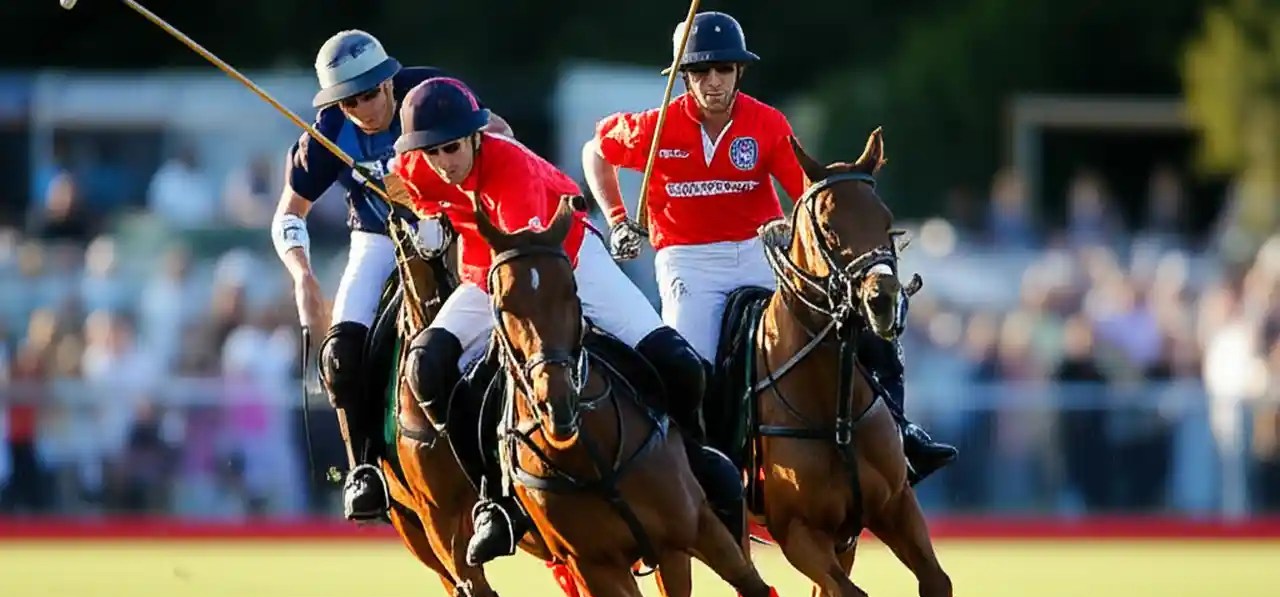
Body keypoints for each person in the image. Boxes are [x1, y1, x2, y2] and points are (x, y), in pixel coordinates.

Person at [581, 10, 956, 481]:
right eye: (700, 71)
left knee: (850, 321)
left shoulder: (766, 123)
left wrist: (796, 227)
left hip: (762, 251)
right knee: (686, 369)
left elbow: (809, 199)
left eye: (723, 70)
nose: (713, 82)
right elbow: (595, 150)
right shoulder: (656, 127)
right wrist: (616, 218)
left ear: (740, 72)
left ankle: (901, 433)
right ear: (684, 77)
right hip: (690, 262)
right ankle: (696, 474)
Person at [390, 77, 744, 566]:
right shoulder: (415, 165)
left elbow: (528, 276)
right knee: (426, 363)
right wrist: (427, 215)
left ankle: (700, 463)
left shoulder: (514, 173)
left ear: (475, 136)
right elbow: (410, 184)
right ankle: (494, 494)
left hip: (567, 260)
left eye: (451, 148)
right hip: (486, 272)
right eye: (431, 154)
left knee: (677, 361)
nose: (443, 163)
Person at [271, 30, 512, 523]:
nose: (364, 108)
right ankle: (363, 469)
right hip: (378, 239)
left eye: (371, 93)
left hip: (452, 227)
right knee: (340, 352)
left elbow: (503, 138)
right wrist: (302, 275)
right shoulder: (324, 134)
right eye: (349, 100)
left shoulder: (430, 95)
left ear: (388, 82)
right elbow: (287, 215)